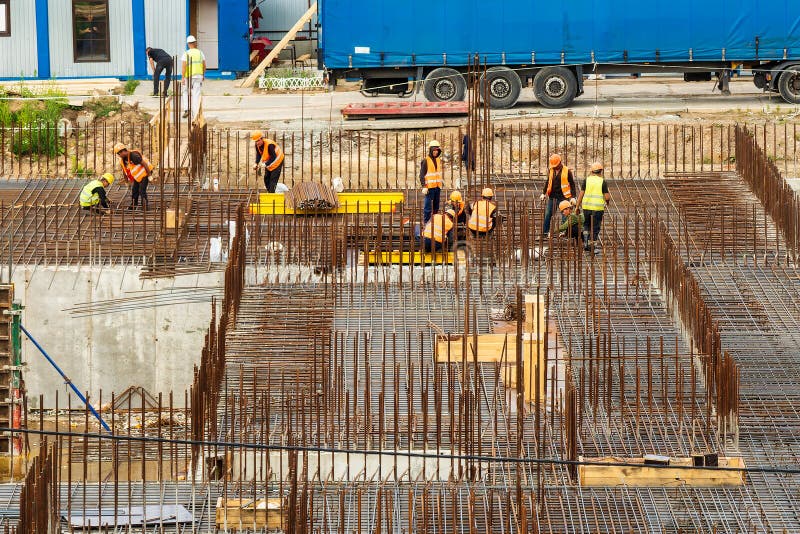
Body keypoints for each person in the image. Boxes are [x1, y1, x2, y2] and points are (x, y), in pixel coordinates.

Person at [539, 154, 578, 237]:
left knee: (565, 215)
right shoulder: (551, 170)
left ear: (560, 162)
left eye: (556, 165)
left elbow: (572, 184)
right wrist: (543, 193)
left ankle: (563, 233)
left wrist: (573, 197)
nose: (555, 167)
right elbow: (548, 182)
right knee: (548, 214)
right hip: (552, 196)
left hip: (563, 197)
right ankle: (545, 232)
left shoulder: (567, 171)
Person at [576, 161, 611, 252]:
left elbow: (581, 194)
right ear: (601, 172)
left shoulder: (586, 180)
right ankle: (592, 246)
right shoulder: (602, 181)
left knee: (586, 225)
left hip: (586, 208)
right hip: (597, 209)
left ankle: (586, 243)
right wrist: (607, 202)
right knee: (595, 228)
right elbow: (607, 196)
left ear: (591, 171)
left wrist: (576, 207)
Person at [114, 143, 154, 210]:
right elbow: (124, 171)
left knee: (142, 190)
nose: (119, 155)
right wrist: (126, 182)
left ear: (123, 151)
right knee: (134, 190)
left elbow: (144, 164)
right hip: (138, 176)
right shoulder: (123, 160)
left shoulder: (133, 155)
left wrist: (149, 176)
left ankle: (145, 207)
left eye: (119, 153)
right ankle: (134, 205)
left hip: (145, 173)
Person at [181, 35, 206, 119]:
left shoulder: (186, 53)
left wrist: (183, 77)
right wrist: (203, 75)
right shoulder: (200, 52)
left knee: (185, 91)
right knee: (196, 94)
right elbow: (204, 65)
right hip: (198, 75)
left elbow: (184, 66)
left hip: (189, 76)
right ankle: (195, 114)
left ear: (188, 44)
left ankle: (186, 109)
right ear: (195, 43)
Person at [420, 140, 443, 224]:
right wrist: (424, 186)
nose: (436, 152)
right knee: (428, 207)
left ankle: (435, 221)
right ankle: (426, 223)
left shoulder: (438, 160)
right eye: (434, 150)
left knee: (436, 206)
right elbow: (422, 175)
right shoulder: (425, 160)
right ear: (431, 150)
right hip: (429, 188)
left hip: (437, 187)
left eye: (437, 150)